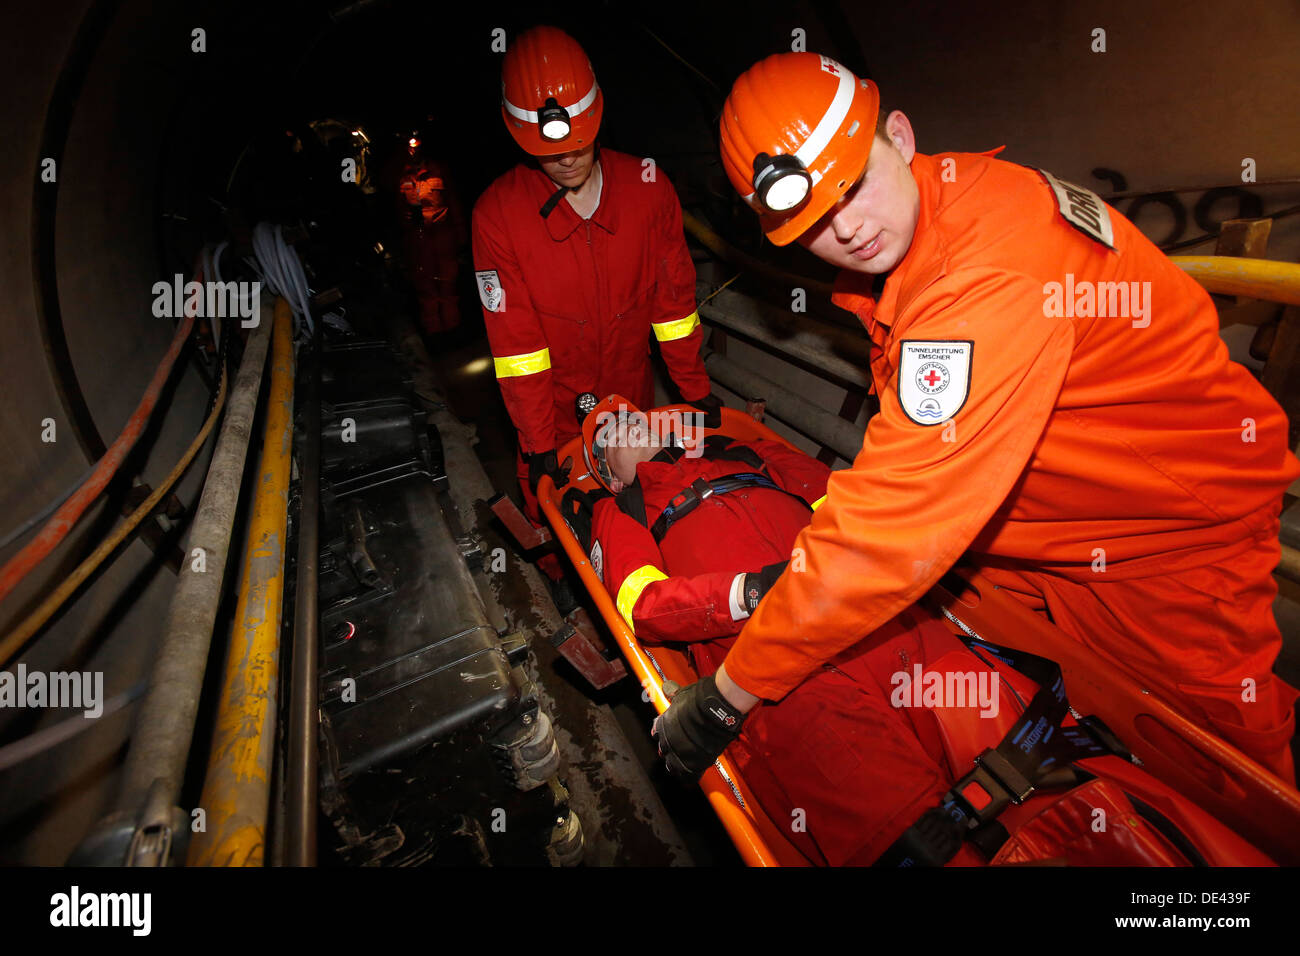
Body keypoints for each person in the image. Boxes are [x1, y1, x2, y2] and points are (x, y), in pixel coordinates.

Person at [652, 51, 1300, 784]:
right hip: (1058, 513)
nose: (851, 228)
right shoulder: (948, 201)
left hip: (1168, 532)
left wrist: (728, 697)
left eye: (855, 184)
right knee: (1030, 674)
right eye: (813, 218)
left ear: (899, 134)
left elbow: (894, 527)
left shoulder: (982, 281)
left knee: (1220, 759)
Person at [577, 393, 1272, 866]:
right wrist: (750, 592)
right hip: (779, 674)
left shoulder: (748, 455)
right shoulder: (626, 511)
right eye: (614, 434)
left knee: (1038, 765)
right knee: (907, 837)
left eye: (638, 415)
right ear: (608, 473)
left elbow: (843, 496)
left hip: (882, 625)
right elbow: (646, 603)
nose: (634, 427)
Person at [471, 25, 721, 578]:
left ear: (598, 114)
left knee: (636, 518)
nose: (565, 159)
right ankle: (563, 590)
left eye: (577, 143)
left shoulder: (649, 189)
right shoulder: (499, 215)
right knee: (558, 528)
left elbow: (675, 309)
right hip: (552, 413)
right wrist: (539, 445)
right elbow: (517, 348)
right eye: (549, 151)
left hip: (631, 404)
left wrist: (694, 391)